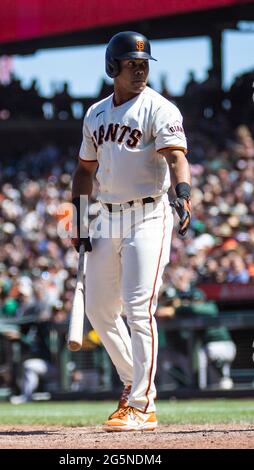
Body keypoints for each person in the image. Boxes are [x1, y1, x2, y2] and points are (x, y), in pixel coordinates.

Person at [71, 31, 191, 431]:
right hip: (105, 215)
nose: (140, 70)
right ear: (113, 67)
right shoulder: (96, 114)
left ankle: (143, 403)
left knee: (139, 308)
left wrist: (183, 194)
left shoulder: (160, 108)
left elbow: (176, 157)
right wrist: (79, 216)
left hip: (149, 214)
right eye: (131, 63)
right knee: (99, 309)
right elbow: (84, 171)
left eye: (143, 64)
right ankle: (130, 382)